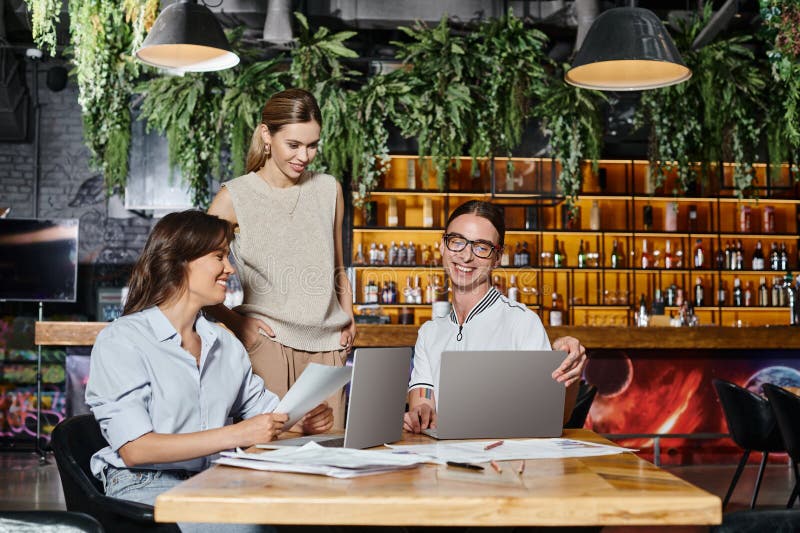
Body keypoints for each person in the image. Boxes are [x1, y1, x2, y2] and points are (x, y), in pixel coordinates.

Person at [85, 211, 333, 533]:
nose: (230, 268)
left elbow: (266, 414)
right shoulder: (123, 340)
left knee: (310, 519)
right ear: (180, 262)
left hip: (214, 478)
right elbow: (136, 449)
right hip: (143, 486)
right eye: (219, 256)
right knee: (247, 530)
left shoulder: (225, 345)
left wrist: (302, 423)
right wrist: (239, 434)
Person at [208, 88, 355, 429]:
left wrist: (349, 314)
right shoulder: (234, 198)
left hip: (329, 349)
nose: (305, 155)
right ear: (266, 135)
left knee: (329, 464)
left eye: (312, 144)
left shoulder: (328, 188)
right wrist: (235, 322)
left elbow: (336, 264)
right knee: (271, 465)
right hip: (268, 346)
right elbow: (193, 275)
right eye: (294, 144)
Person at [404, 200, 588, 433]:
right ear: (442, 246)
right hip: (440, 463)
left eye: (481, 247)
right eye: (457, 242)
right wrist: (421, 413)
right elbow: (423, 396)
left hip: (504, 463)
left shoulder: (522, 322)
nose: (466, 256)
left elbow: (552, 416)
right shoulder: (429, 332)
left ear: (498, 257)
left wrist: (567, 366)